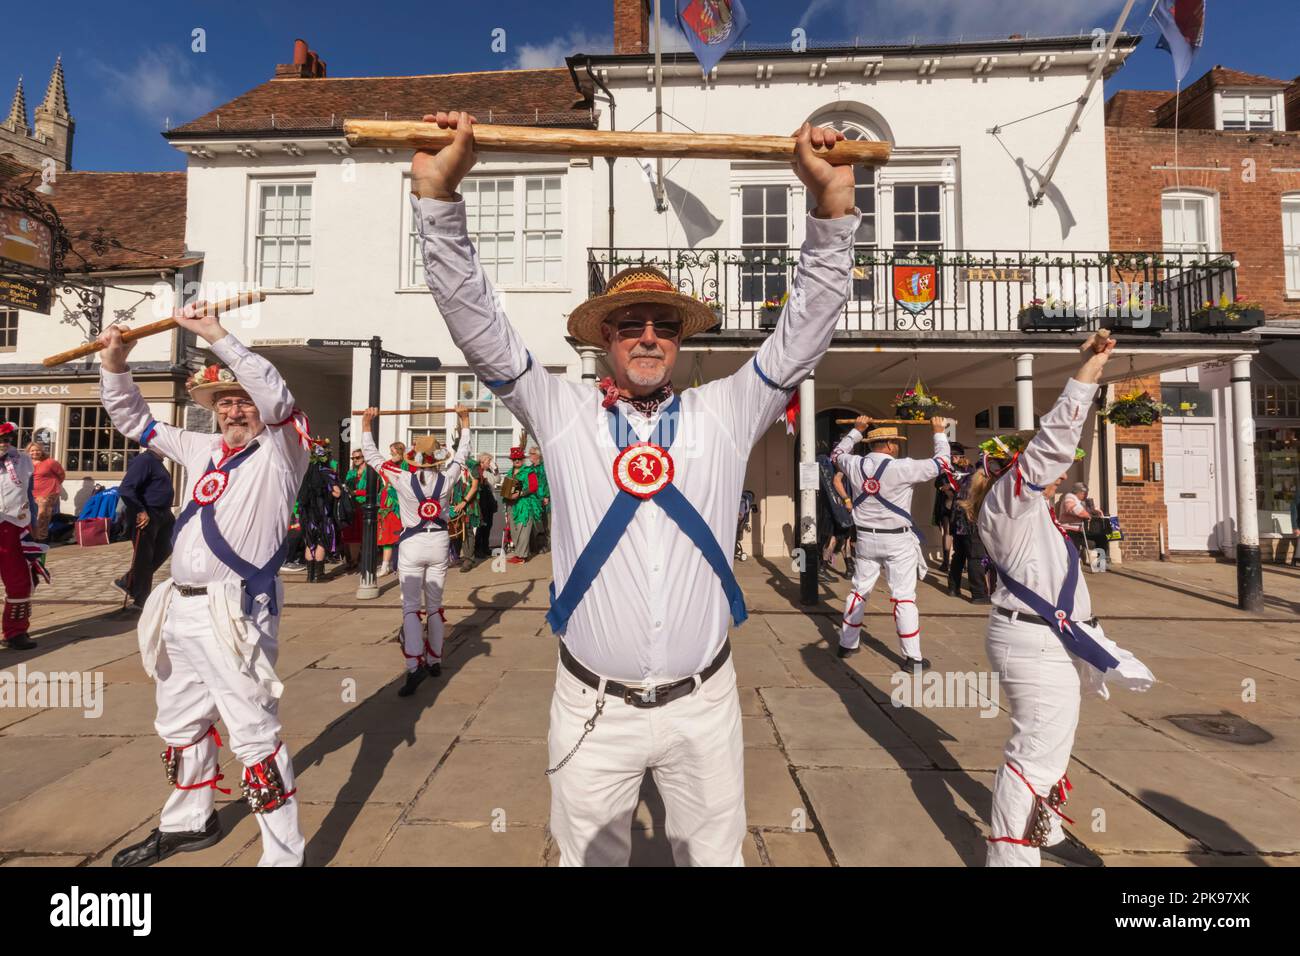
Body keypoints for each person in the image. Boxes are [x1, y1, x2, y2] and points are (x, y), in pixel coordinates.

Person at [411, 110, 857, 865]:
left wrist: (832, 209)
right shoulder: (560, 413)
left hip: (705, 706)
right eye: (629, 324)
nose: (648, 335)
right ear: (603, 340)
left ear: (681, 341)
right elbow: (478, 327)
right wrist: (438, 202)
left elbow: (806, 329)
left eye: (664, 324)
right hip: (592, 708)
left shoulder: (725, 411)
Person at [96, 310, 310, 867]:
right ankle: (190, 820)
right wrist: (115, 364)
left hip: (234, 613)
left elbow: (278, 398)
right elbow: (133, 420)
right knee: (179, 720)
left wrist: (215, 335)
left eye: (242, 401)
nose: (234, 410)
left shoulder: (283, 453)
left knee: (254, 733)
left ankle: (283, 857)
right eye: (223, 403)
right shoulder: (201, 448)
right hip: (180, 608)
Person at [961, 332, 1154, 867]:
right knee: (1033, 751)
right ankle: (1010, 857)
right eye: (1051, 469)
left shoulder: (1028, 509)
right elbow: (1054, 443)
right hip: (1032, 640)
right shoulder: (1009, 499)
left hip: (1046, 637)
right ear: (1020, 467)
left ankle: (1041, 833)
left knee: (1050, 743)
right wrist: (1088, 370)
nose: (1063, 472)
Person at [362, 406, 472, 696]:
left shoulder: (401, 478)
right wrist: (465, 420)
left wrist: (365, 424)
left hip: (411, 545)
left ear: (414, 460)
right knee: (435, 605)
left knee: (411, 607)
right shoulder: (447, 478)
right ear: (437, 459)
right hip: (438, 543)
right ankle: (435, 659)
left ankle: (415, 666)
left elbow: (372, 457)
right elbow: (463, 454)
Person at [832, 416, 951, 669]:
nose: (896, 446)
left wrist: (857, 430)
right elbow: (942, 463)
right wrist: (939, 432)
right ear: (887, 445)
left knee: (859, 590)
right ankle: (913, 658)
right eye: (895, 442)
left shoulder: (854, 464)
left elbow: (837, 453)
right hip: (897, 540)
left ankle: (847, 643)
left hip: (865, 537)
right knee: (903, 597)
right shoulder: (902, 467)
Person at [113, 446, 175, 611]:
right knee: (144, 557)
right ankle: (141, 600)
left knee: (166, 548)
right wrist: (140, 510)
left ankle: (128, 581)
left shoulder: (158, 462)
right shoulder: (144, 460)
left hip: (164, 514)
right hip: (147, 514)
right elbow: (126, 489)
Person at [0, 423, 44, 650]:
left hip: (15, 526)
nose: (3, 443)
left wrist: (33, 523)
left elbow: (28, 491)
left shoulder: (23, 461)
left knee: (20, 582)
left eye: (7, 439)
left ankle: (15, 631)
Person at [295, 439, 343, 582]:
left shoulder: (305, 473)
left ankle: (310, 576)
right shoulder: (327, 472)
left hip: (307, 512)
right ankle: (318, 575)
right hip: (323, 513)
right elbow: (337, 493)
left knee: (310, 542)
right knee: (322, 540)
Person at [946, 443, 989, 602]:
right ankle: (979, 594)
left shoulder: (965, 476)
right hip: (970, 522)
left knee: (959, 555)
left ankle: (953, 588)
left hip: (958, 522)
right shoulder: (977, 477)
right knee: (975, 557)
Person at [506, 444, 548, 564]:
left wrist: (519, 494)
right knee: (514, 530)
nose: (517, 461)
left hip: (525, 504)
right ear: (512, 460)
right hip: (512, 505)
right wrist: (507, 497)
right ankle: (519, 553)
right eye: (515, 459)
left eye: (519, 458)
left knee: (523, 529)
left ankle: (522, 556)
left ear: (523, 459)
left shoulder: (529, 471)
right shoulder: (510, 473)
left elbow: (534, 487)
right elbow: (508, 490)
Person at [377, 440, 408, 576]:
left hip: (402, 503)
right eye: (391, 451)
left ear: (400, 451)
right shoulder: (387, 465)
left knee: (402, 535)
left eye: (393, 451)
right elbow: (386, 473)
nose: (391, 453)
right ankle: (385, 566)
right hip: (387, 504)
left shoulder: (407, 465)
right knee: (387, 536)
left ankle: (400, 564)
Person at [451, 442, 481, 572]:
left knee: (467, 530)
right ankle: (457, 556)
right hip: (455, 502)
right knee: (455, 529)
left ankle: (469, 559)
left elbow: (474, 487)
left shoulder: (473, 465)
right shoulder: (453, 465)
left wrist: (464, 501)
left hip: (468, 503)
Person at [28, 441, 64, 543]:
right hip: (31, 493)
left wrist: (54, 486)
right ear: (28, 452)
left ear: (42, 451)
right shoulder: (26, 463)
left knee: (42, 515)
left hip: (48, 492)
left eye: (37, 450)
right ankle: (32, 536)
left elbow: (61, 475)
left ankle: (41, 539)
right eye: (32, 451)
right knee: (31, 516)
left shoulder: (50, 462)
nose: (35, 452)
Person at [1057, 481, 1103, 555]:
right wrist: (1089, 515)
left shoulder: (1082, 501)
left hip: (1082, 529)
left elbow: (1094, 509)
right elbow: (1075, 510)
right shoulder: (1069, 497)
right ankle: (1074, 562)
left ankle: (1101, 563)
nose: (1086, 495)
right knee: (1074, 549)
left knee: (1102, 539)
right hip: (1069, 529)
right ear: (1077, 492)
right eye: (1084, 493)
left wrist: (1096, 511)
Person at [474, 452, 498, 561]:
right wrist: (493, 473)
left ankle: (485, 547)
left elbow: (497, 480)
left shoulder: (487, 471)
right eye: (489, 461)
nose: (490, 463)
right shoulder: (479, 471)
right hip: (482, 502)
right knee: (482, 526)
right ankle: (478, 550)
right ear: (482, 461)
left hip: (489, 502)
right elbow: (492, 481)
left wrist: (496, 470)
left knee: (488, 526)